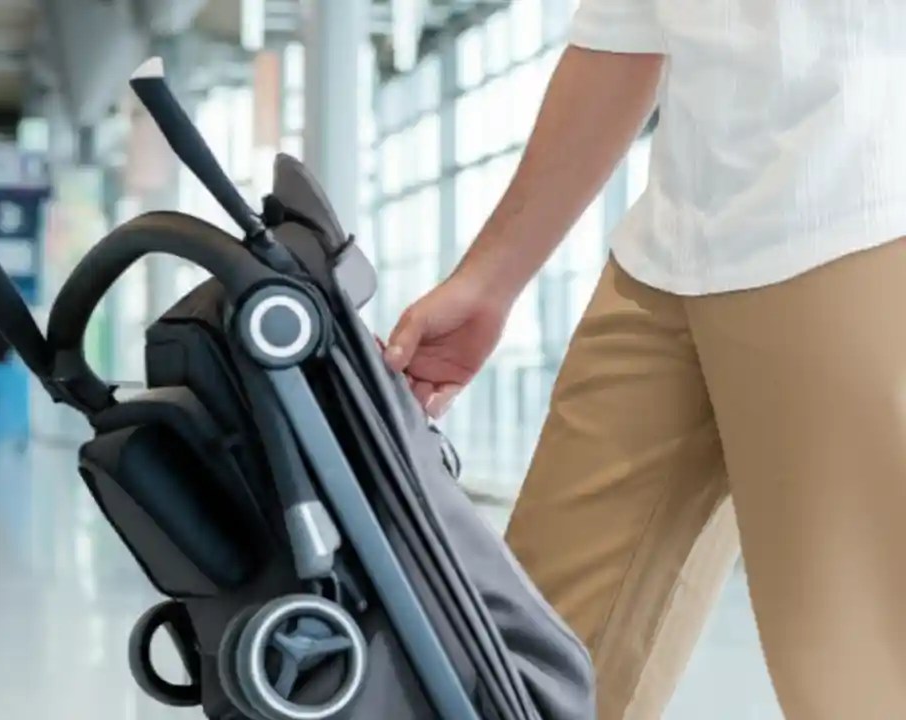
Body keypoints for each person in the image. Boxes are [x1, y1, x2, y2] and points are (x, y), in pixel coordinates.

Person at [385, 4, 906, 719]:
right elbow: (620, 32)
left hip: (852, 217)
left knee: (855, 679)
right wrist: (490, 279)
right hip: (670, 252)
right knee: (529, 661)